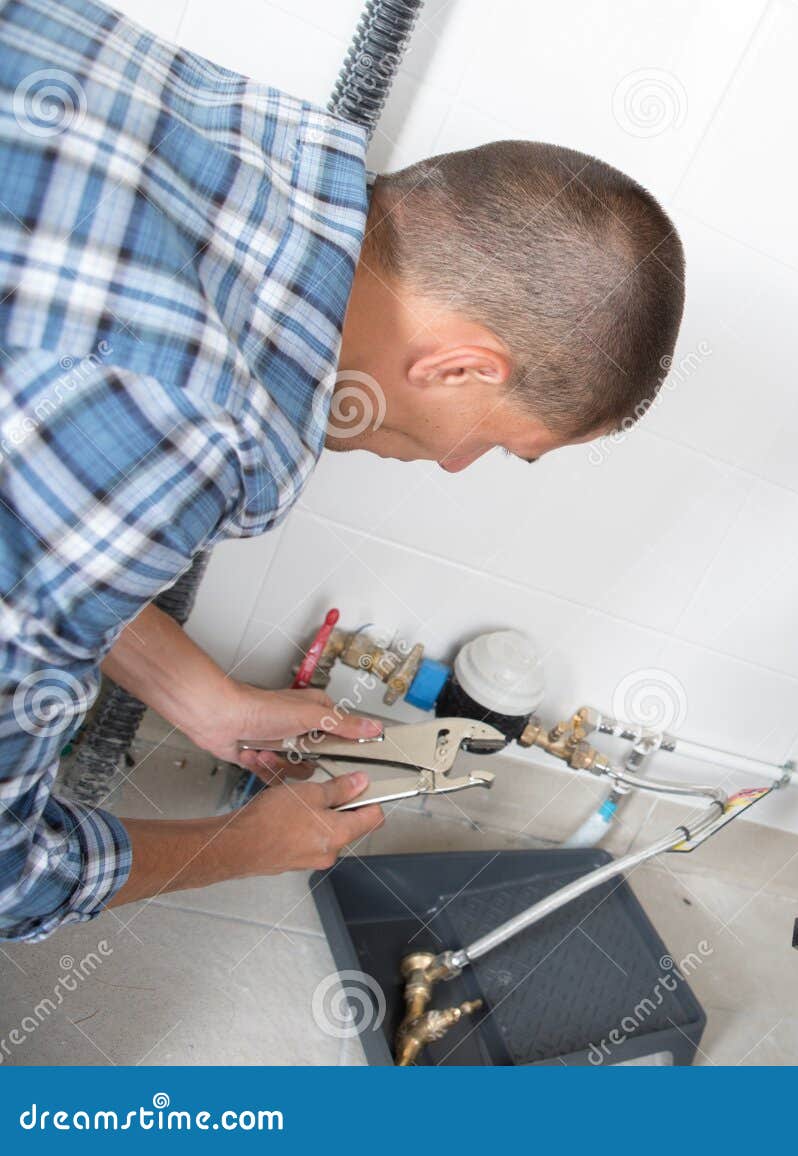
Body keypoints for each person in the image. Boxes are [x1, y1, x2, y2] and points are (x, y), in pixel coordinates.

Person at [0, 0, 685, 940]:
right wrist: (240, 846)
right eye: (493, 442)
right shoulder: (204, 425)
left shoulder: (208, 120)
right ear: (461, 368)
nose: (454, 465)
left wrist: (202, 700)